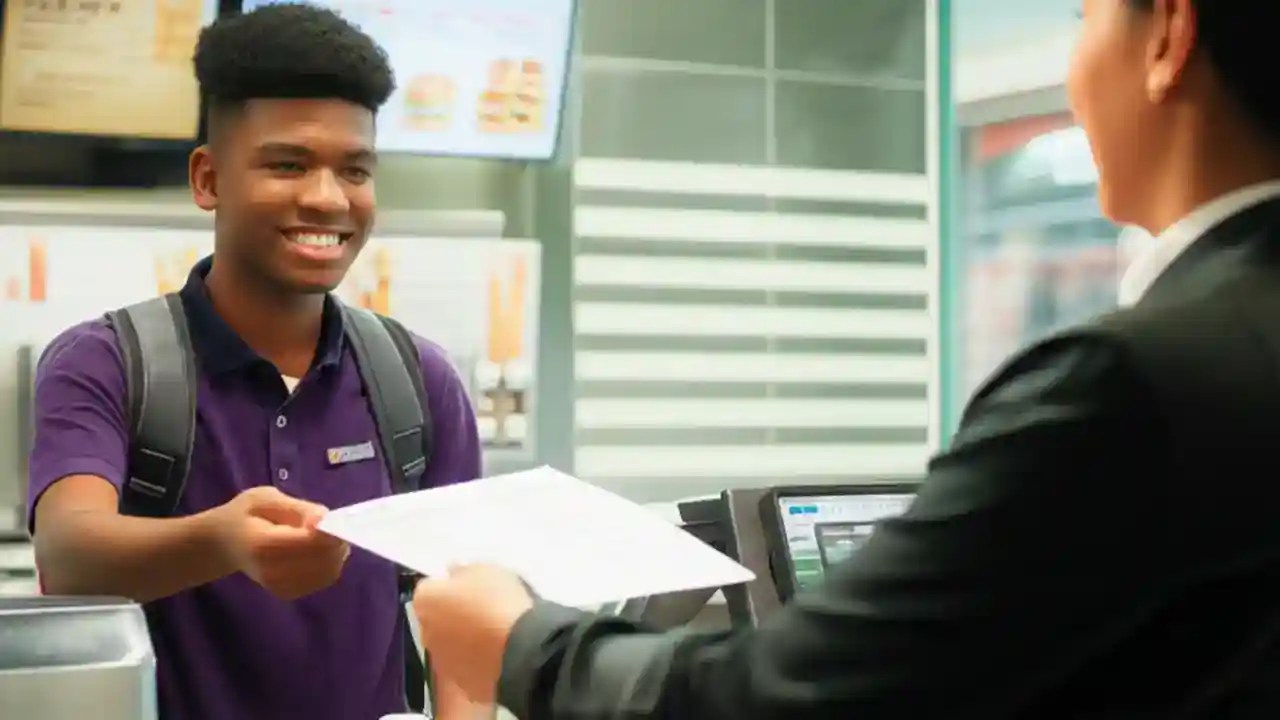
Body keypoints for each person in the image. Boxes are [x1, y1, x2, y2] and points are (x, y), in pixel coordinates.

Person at [411, 0, 1280, 717]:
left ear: (1167, 35)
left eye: (1085, 16)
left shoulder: (1128, 385)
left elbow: (791, 701)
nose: (1073, 71)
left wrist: (520, 644)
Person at [27, 5, 488, 719]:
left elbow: (464, 594)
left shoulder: (417, 380)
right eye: (288, 164)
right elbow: (68, 552)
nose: (327, 199)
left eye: (355, 170)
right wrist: (222, 540)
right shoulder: (108, 364)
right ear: (209, 179)